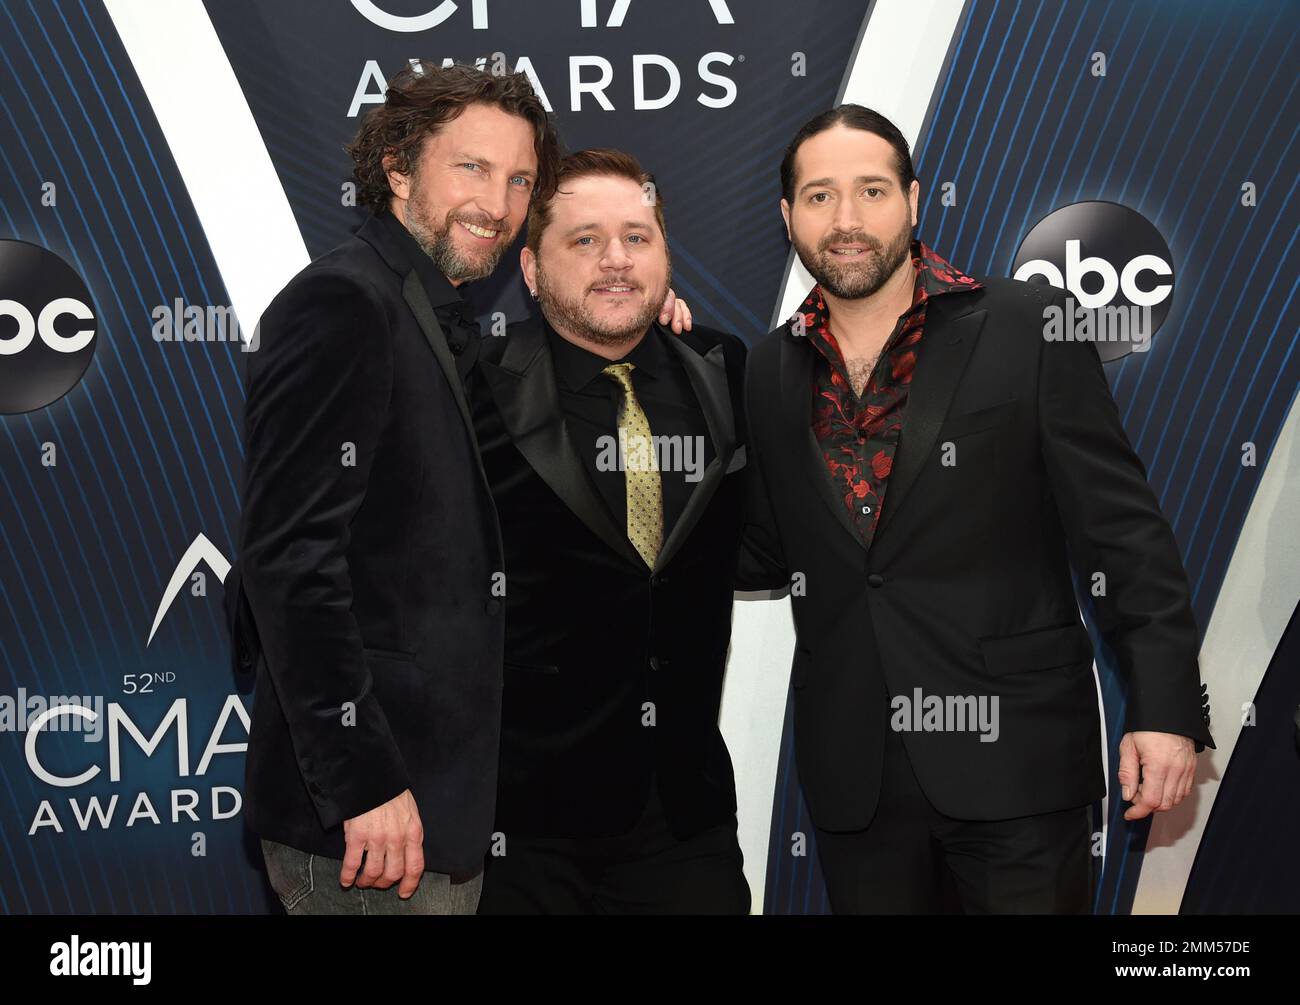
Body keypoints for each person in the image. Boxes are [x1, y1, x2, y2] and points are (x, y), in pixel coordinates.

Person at [226, 64, 688, 915]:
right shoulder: (345, 302)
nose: (499, 202)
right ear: (398, 169)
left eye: (518, 180)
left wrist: (632, 305)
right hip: (369, 822)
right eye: (471, 168)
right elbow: (290, 562)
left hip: (430, 810)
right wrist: (362, 780)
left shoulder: (432, 312)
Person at [737, 104, 1215, 913]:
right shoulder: (767, 369)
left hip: (1017, 763)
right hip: (859, 784)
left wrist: (1165, 707)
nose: (846, 219)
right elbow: (760, 551)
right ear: (789, 217)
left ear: (914, 201)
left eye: (871, 190)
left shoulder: (1027, 325)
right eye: (819, 196)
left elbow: (1121, 532)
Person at [471, 149, 751, 914]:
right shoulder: (471, 389)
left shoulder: (723, 369)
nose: (616, 260)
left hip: (683, 820)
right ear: (530, 270)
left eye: (637, 238)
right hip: (518, 831)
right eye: (585, 240)